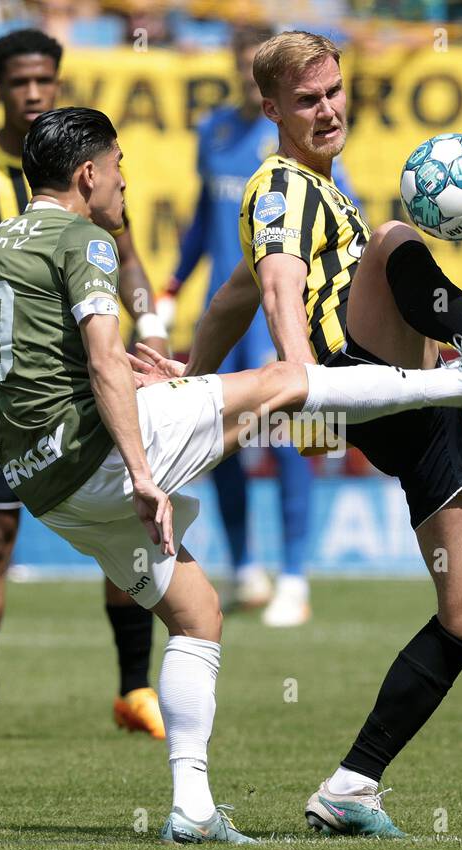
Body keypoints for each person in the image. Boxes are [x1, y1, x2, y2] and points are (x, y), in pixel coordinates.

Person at [0, 106, 462, 841]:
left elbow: (4, 366)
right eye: (119, 166)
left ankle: (192, 810)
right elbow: (101, 355)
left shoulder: (0, 245)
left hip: (50, 486)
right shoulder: (84, 238)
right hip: (106, 455)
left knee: (198, 616)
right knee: (285, 382)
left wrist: (148, 379)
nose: (125, 181)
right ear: (87, 175)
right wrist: (141, 468)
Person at [183, 30, 462, 837]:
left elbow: (232, 295)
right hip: (355, 373)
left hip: (420, 407)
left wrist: (189, 381)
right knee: (395, 239)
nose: (327, 111)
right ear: (271, 109)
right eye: (306, 101)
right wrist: (302, 383)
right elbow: (282, 288)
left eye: (333, 93)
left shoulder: (328, 188)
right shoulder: (280, 185)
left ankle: (351, 787)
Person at [0, 29, 171, 745]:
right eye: (20, 82)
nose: (35, 92)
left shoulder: (88, 168)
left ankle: (135, 689)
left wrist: (153, 325)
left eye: (45, 79)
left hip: (83, 394)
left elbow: (129, 259)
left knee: (121, 529)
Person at [164, 23, 354, 626]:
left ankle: (296, 574)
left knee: (299, 434)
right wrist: (172, 283)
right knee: (214, 438)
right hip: (229, 302)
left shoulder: (299, 147)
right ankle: (246, 565)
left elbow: (335, 214)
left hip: (282, 307)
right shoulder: (214, 133)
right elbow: (201, 217)